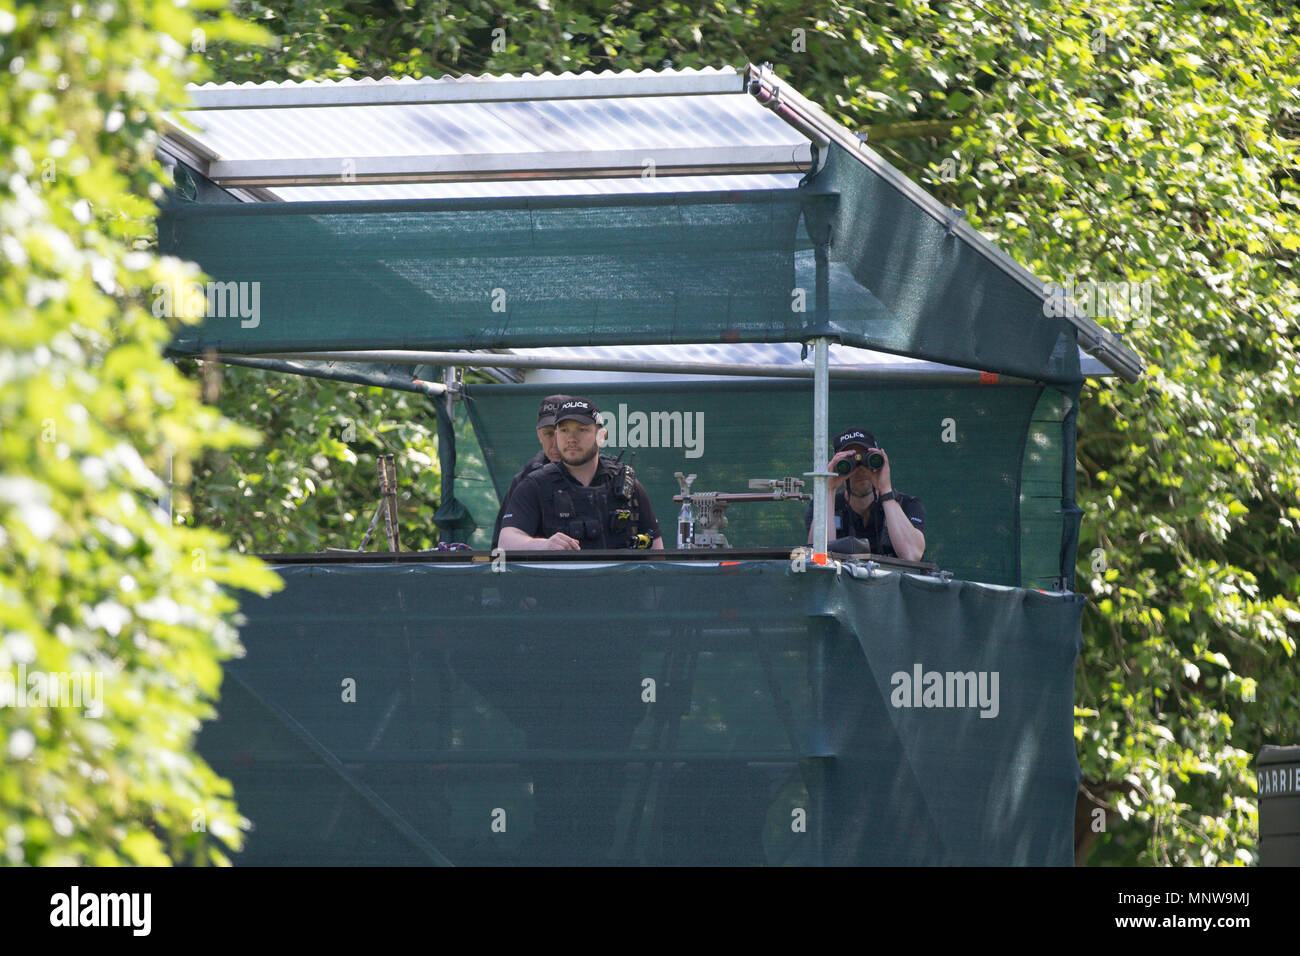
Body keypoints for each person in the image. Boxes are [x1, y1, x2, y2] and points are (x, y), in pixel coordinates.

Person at [499, 397, 664, 551]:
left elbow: (656, 549)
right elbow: (506, 542)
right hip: (560, 581)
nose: (571, 438)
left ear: (601, 436)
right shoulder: (534, 485)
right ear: (556, 435)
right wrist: (543, 545)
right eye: (564, 430)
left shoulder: (628, 485)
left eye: (581, 430)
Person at [804, 427, 926, 561]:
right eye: (850, 462)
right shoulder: (824, 506)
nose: (860, 469)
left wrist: (886, 490)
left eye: (866, 460)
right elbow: (818, 558)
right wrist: (828, 490)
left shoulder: (907, 504)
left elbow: (912, 555)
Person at [489, 393, 569, 549]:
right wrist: (544, 546)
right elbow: (500, 550)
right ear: (539, 434)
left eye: (562, 432)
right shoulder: (526, 481)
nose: (555, 443)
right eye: (549, 433)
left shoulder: (605, 474)